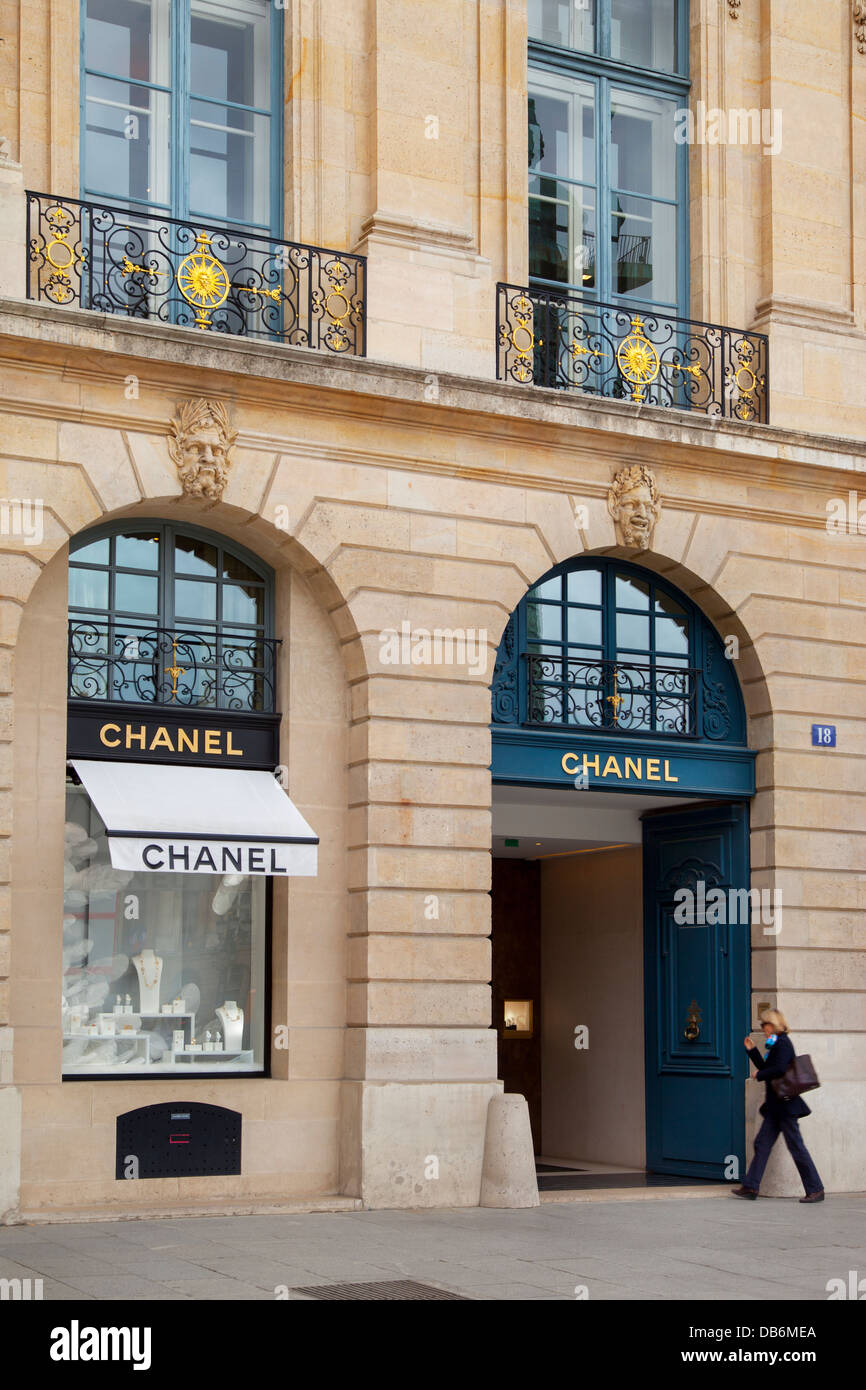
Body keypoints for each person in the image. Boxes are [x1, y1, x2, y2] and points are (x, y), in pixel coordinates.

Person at [733, 1008, 824, 1203]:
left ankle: (815, 1189)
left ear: (773, 1024)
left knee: (796, 1147)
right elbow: (767, 1068)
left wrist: (760, 1075)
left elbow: (780, 1069)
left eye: (765, 1025)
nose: (763, 1028)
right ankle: (750, 1186)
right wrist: (752, 1051)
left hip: (785, 1106)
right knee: (762, 1144)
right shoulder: (774, 1042)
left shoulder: (783, 1043)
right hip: (776, 1107)